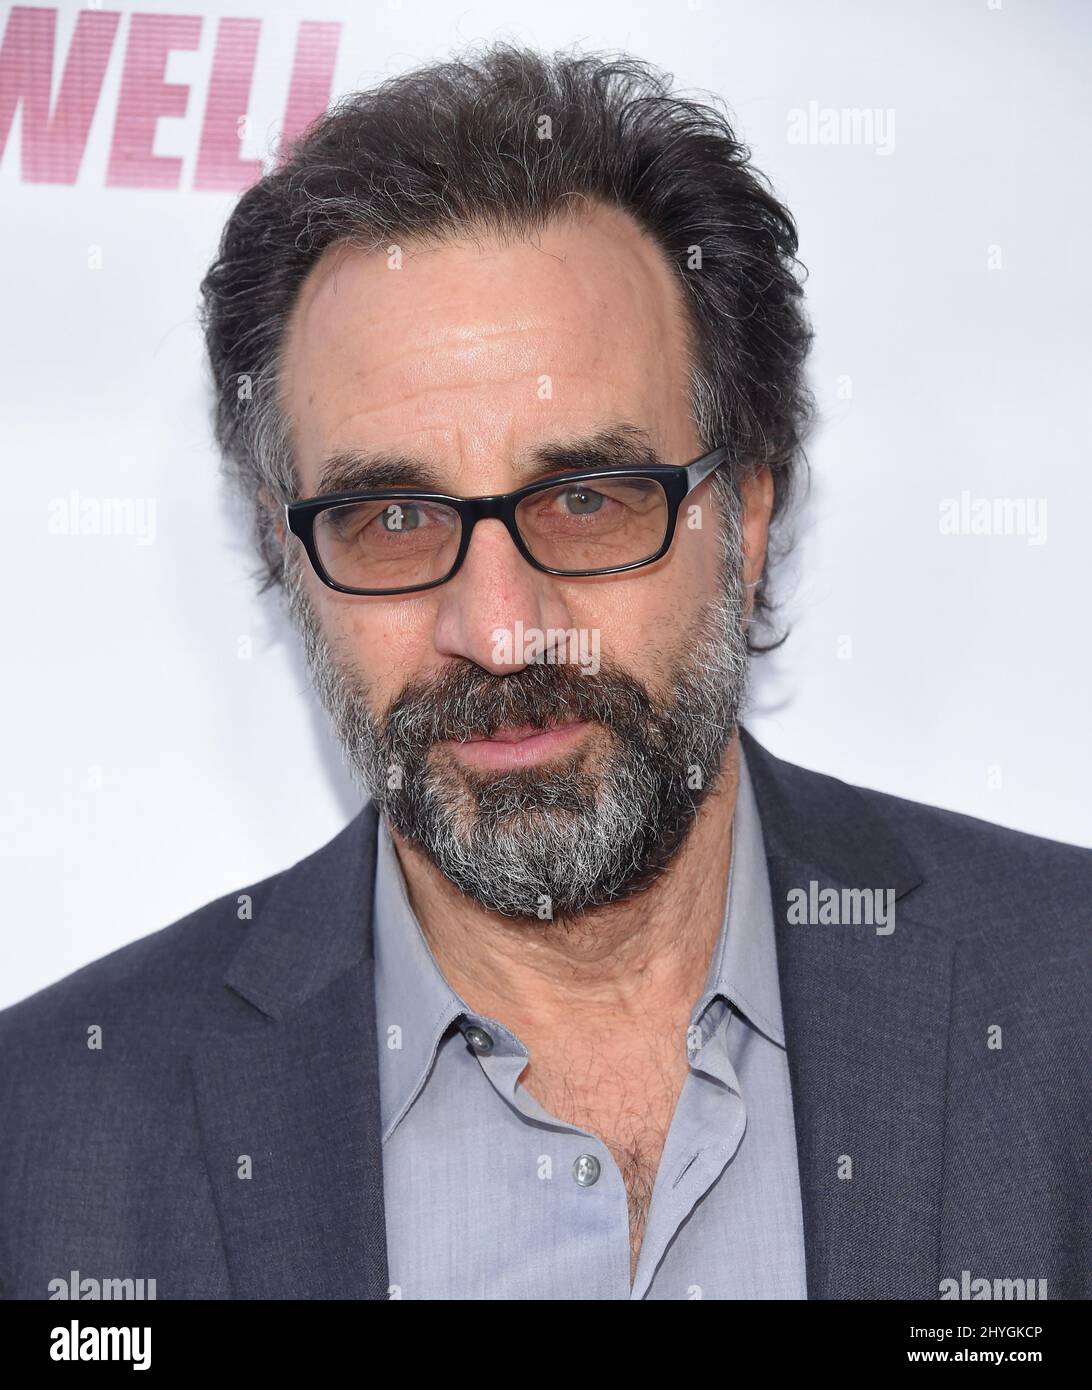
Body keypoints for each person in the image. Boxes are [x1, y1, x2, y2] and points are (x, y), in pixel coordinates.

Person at [1, 44, 1088, 1301]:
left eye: (584, 497)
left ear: (746, 507)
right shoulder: (50, 1138)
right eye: (394, 519)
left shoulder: (1066, 998)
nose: (503, 629)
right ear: (288, 559)